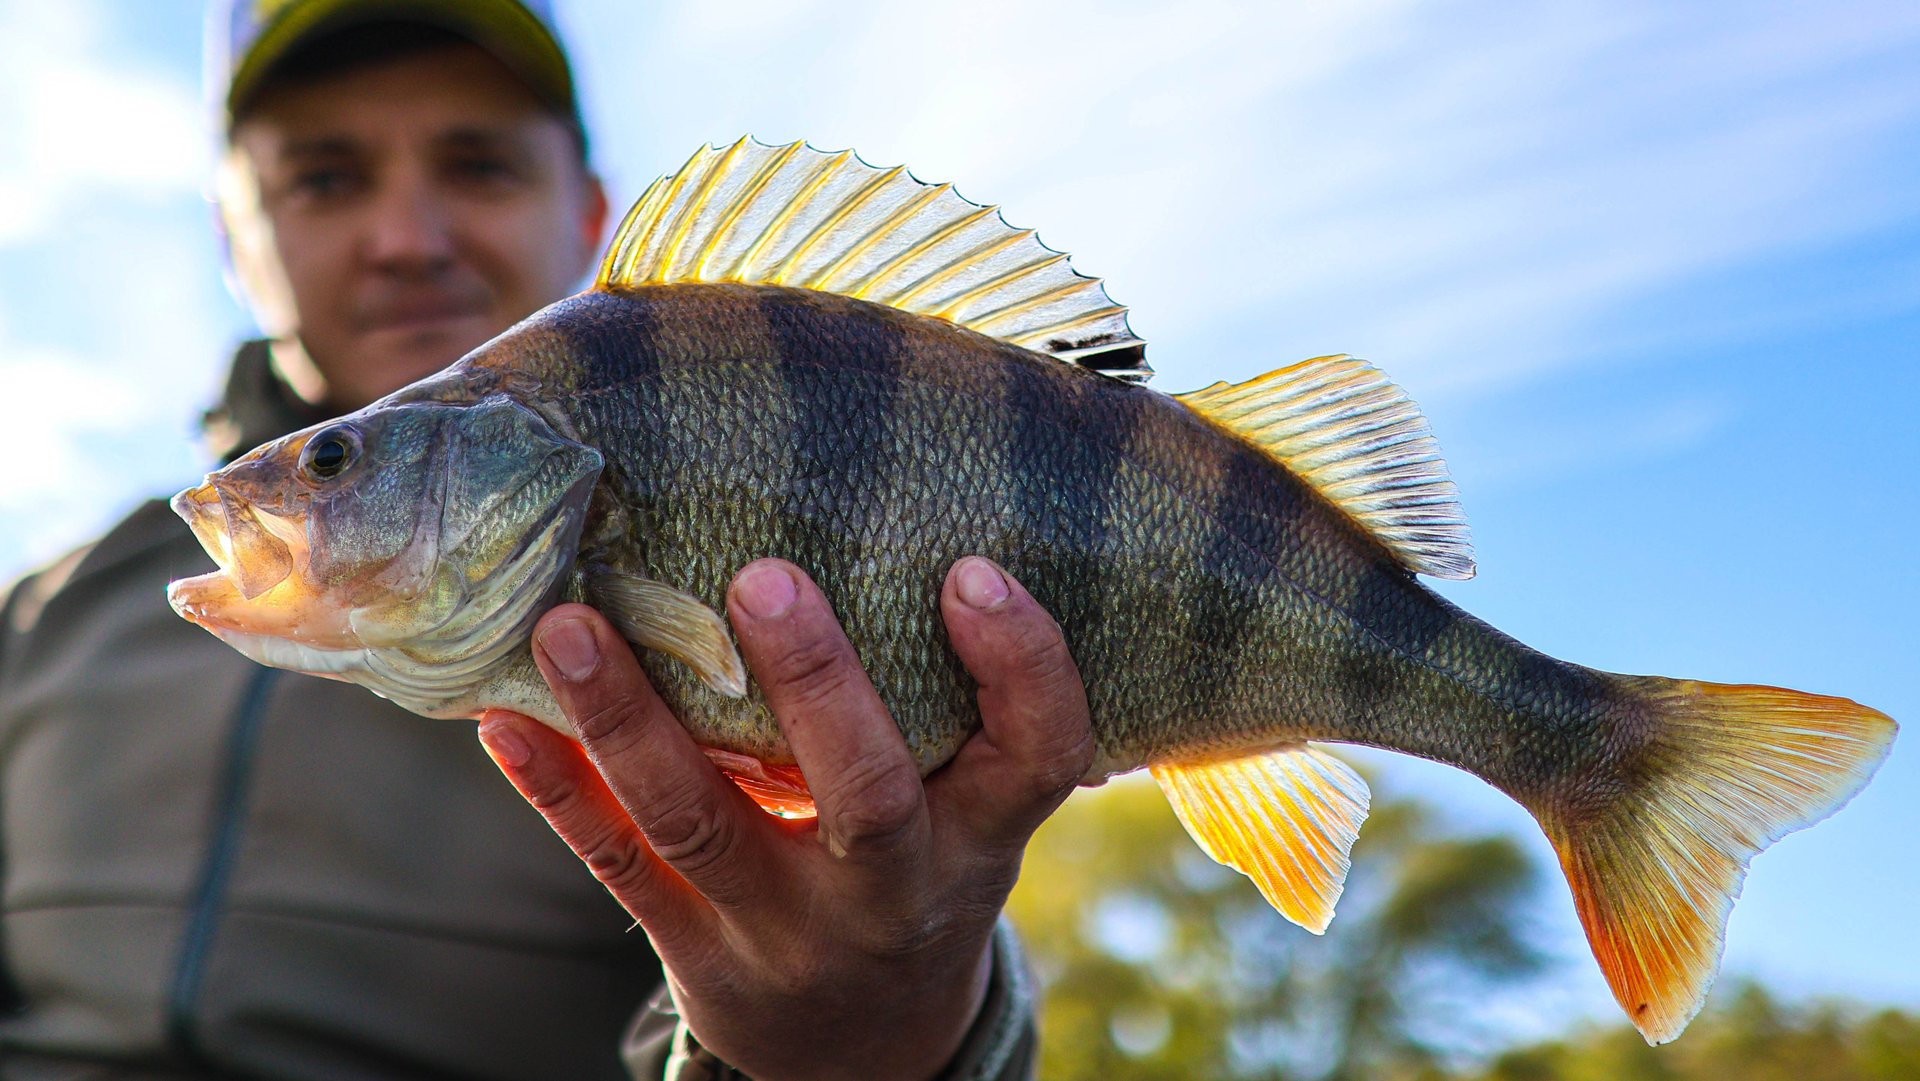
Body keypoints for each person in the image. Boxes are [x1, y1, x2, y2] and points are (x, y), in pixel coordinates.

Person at [0, 2, 1096, 1078]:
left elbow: (868, 964)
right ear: (233, 234)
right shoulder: (43, 616)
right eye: (326, 177)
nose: (407, 240)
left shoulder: (641, 522)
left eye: (479, 165)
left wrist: (882, 1037)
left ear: (588, 212)